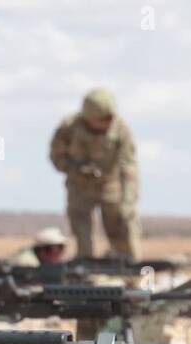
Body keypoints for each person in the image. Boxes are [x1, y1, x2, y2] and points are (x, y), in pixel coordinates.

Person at [49, 88, 140, 261]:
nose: (108, 122)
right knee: (82, 235)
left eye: (110, 117)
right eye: (103, 119)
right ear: (89, 117)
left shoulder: (120, 129)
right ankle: (85, 273)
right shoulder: (68, 128)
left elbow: (129, 168)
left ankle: (129, 270)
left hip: (111, 187)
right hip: (79, 187)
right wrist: (75, 169)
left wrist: (128, 202)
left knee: (122, 227)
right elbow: (56, 157)